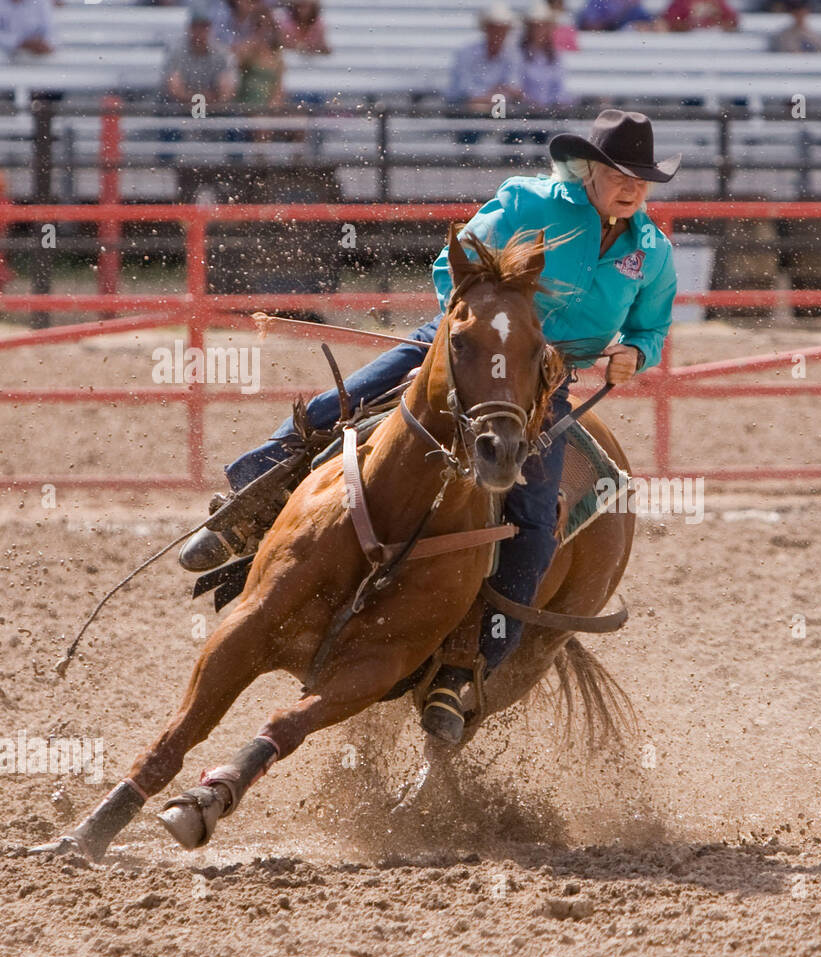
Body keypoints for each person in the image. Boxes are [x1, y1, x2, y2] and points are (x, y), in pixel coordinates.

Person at [177, 110, 680, 744]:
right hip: (463, 352)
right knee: (336, 408)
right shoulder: (528, 201)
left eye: (641, 179)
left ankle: (468, 666)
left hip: (541, 384)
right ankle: (243, 514)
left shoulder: (651, 253)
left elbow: (651, 327)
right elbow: (455, 266)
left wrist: (638, 352)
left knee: (531, 520)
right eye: (618, 173)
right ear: (589, 171)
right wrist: (479, 334)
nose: (631, 188)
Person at [447, 4, 524, 109]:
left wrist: (485, 98)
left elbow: (513, 88)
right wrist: (494, 93)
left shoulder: (513, 55)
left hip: (495, 107)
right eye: (494, 28)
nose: (498, 33)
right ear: (486, 29)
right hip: (460, 107)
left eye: (502, 29)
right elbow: (463, 88)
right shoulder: (466, 52)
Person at [161, 11, 237, 106]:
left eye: (204, 28)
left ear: (210, 29)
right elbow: (174, 89)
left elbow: (227, 90)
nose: (199, 32)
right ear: (189, 29)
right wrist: (197, 99)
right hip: (180, 109)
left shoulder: (222, 53)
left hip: (215, 109)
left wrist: (206, 100)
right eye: (196, 27)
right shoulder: (176, 53)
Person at [521, 5, 572, 109]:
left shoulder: (555, 55)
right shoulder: (519, 54)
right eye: (535, 26)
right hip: (525, 109)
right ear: (529, 28)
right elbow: (515, 87)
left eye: (543, 26)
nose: (539, 30)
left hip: (550, 108)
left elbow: (559, 87)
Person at [234, 5, 284, 112]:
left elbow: (278, 88)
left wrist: (273, 106)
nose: (264, 30)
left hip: (268, 106)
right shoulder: (246, 49)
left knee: (298, 121)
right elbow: (237, 69)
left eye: (268, 26)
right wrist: (254, 46)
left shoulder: (277, 56)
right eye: (259, 25)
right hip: (247, 103)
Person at [575, 0, 659, 32]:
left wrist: (642, 27)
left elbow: (654, 25)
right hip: (600, 46)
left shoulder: (635, 8)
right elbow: (589, 26)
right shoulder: (598, 3)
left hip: (628, 50)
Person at [662, 0, 738, 32]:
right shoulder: (682, 2)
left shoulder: (717, 2)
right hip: (686, 43)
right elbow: (668, 22)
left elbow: (733, 22)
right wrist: (690, 24)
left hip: (715, 42)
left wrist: (717, 21)